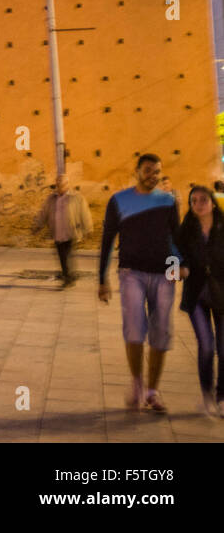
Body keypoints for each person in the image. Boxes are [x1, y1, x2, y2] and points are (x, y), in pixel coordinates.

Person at [98, 153, 182, 414]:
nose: (153, 175)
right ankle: (136, 383)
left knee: (160, 333)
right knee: (134, 329)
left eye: (157, 171)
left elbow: (175, 238)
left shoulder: (169, 201)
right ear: (137, 171)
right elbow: (108, 238)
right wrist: (102, 278)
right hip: (131, 272)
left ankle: (152, 391)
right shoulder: (119, 200)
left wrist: (176, 268)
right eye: (148, 170)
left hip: (163, 275)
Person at [178, 185, 224, 416]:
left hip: (222, 293)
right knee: (206, 346)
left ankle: (222, 396)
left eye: (203, 199)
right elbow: (173, 255)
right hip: (196, 294)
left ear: (212, 202)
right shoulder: (187, 228)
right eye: (193, 200)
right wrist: (176, 269)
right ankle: (207, 395)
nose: (198, 204)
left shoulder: (222, 226)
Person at [34, 175, 91, 287]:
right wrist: (37, 226)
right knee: (62, 257)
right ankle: (69, 277)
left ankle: (68, 278)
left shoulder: (76, 197)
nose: (59, 186)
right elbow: (44, 213)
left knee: (67, 256)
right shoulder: (51, 198)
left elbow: (84, 213)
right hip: (57, 233)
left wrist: (88, 229)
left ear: (67, 184)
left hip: (70, 232)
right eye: (58, 184)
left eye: (62, 184)